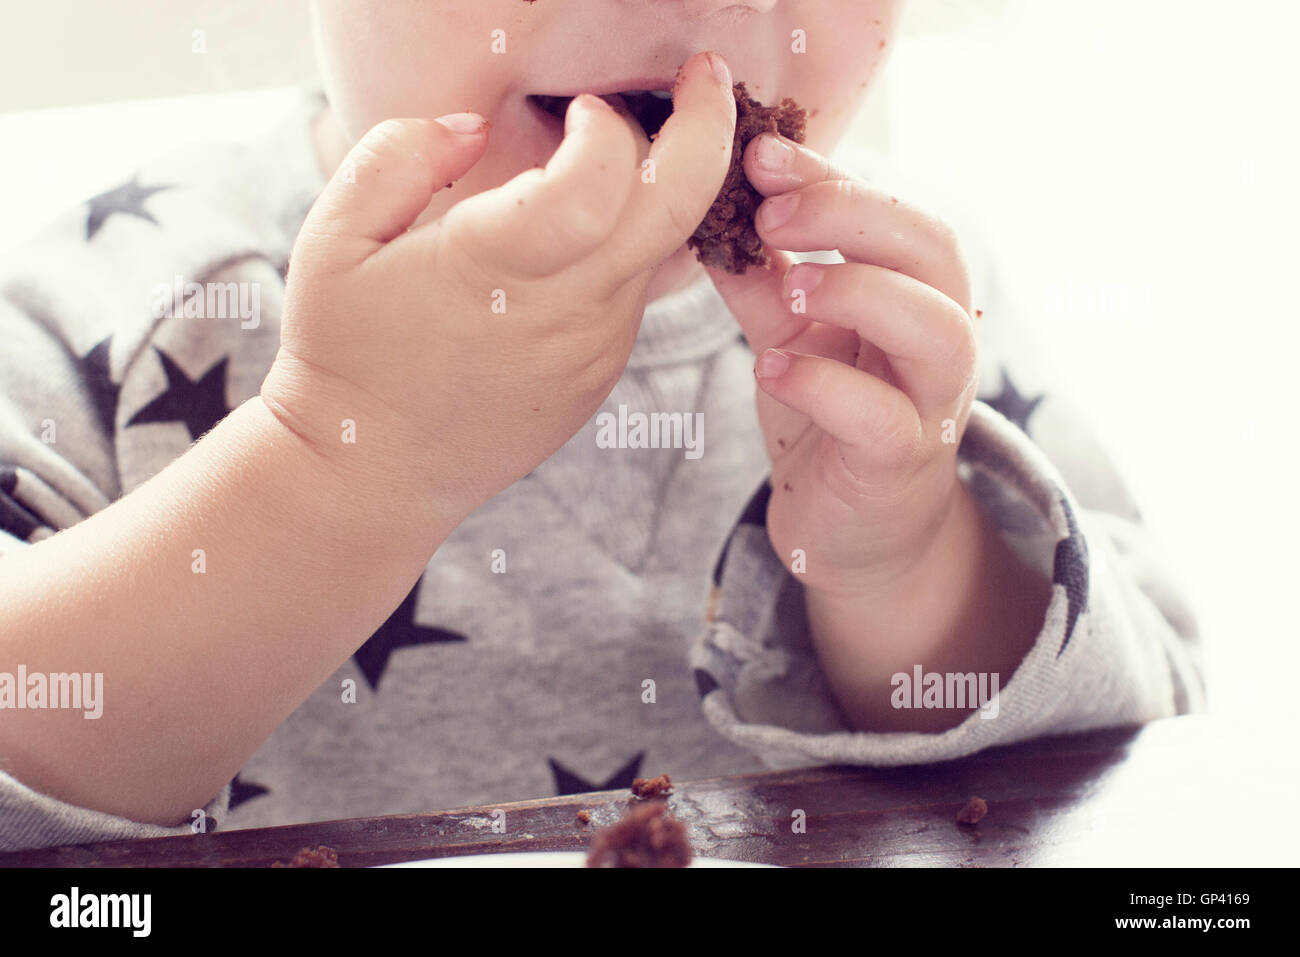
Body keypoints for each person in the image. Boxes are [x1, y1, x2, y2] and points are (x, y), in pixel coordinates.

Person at [0, 0, 1202, 852]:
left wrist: (901, 558)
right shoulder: (131, 307)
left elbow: (1135, 759)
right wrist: (341, 458)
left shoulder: (905, 298)